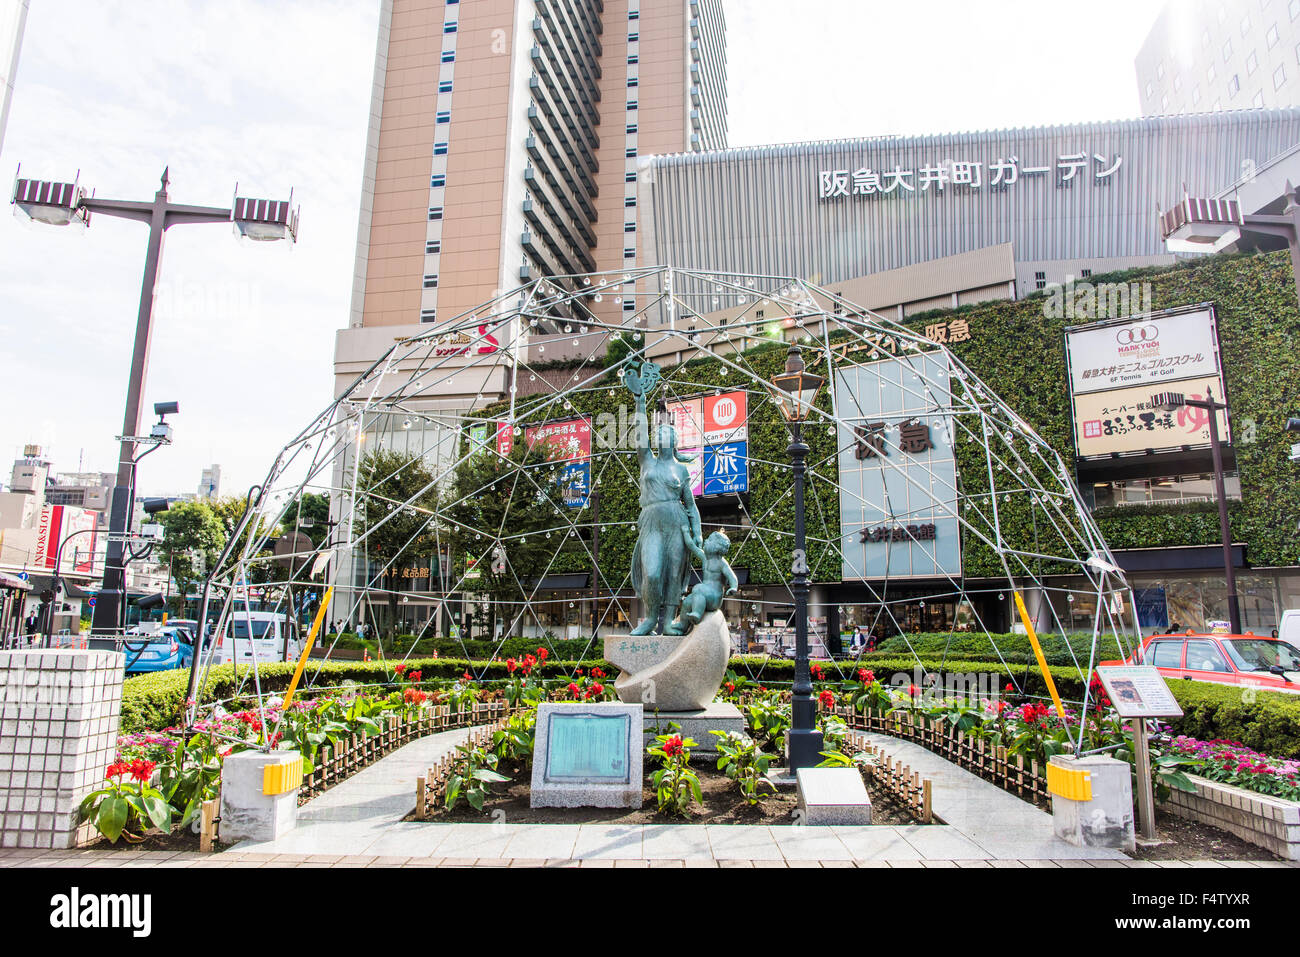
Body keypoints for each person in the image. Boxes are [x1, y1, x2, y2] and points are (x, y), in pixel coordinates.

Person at [625, 363, 703, 636]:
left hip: (677, 523)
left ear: (674, 440)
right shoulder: (647, 461)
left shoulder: (681, 470)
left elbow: (691, 506)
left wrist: (698, 533)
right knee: (654, 573)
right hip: (651, 521)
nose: (659, 436)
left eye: (665, 433)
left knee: (673, 574)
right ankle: (649, 619)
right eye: (657, 434)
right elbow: (640, 433)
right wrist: (640, 401)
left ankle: (667, 621)